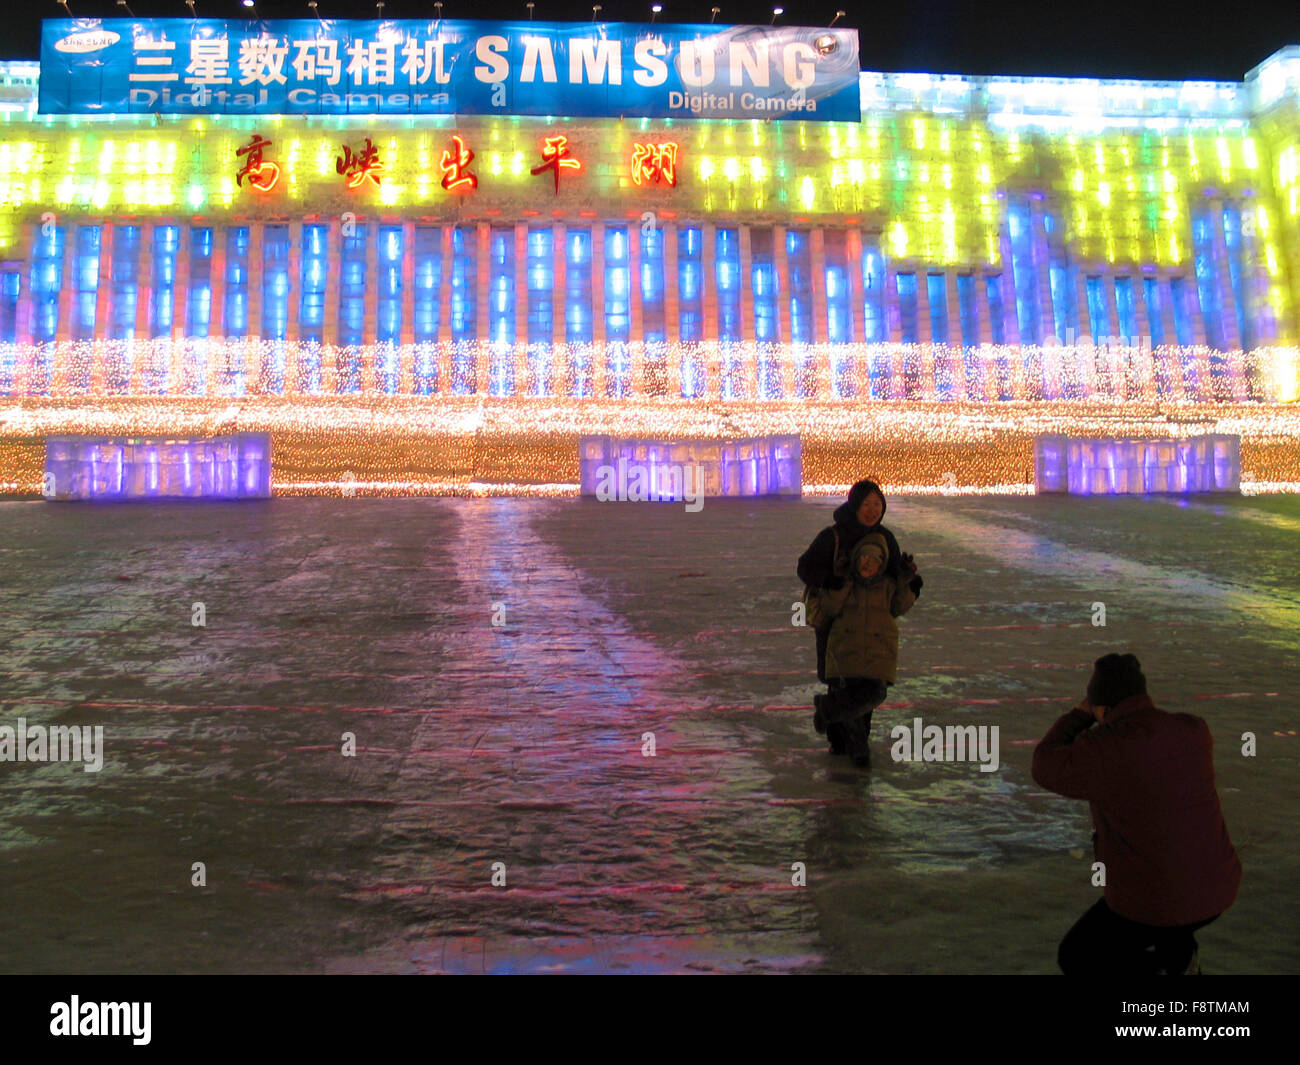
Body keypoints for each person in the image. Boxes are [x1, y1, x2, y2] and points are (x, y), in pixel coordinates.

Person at [1032, 653, 1242, 975]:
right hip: (1218, 886)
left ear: (1101, 707)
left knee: (1078, 956)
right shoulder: (1195, 730)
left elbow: (1044, 765)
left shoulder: (1104, 749)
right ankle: (1180, 957)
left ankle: (1172, 968)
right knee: (1173, 916)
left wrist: (1079, 714)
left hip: (1153, 902)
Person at [796, 479, 921, 756]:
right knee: (841, 681)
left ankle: (853, 739)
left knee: (866, 681)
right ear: (854, 505)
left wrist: (909, 581)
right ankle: (842, 743)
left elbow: (893, 581)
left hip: (871, 624)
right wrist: (832, 581)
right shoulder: (833, 536)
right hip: (834, 620)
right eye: (866, 504)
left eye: (878, 504)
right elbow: (805, 567)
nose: (872, 510)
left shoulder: (886, 538)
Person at [814, 537, 922, 766]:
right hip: (845, 651)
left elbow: (899, 607)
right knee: (854, 706)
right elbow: (830, 607)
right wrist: (842, 581)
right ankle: (859, 751)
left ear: (881, 564)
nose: (868, 564)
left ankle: (827, 709)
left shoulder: (887, 586)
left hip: (875, 653)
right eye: (864, 558)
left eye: (874, 560)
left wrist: (906, 582)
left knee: (874, 694)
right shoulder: (846, 582)